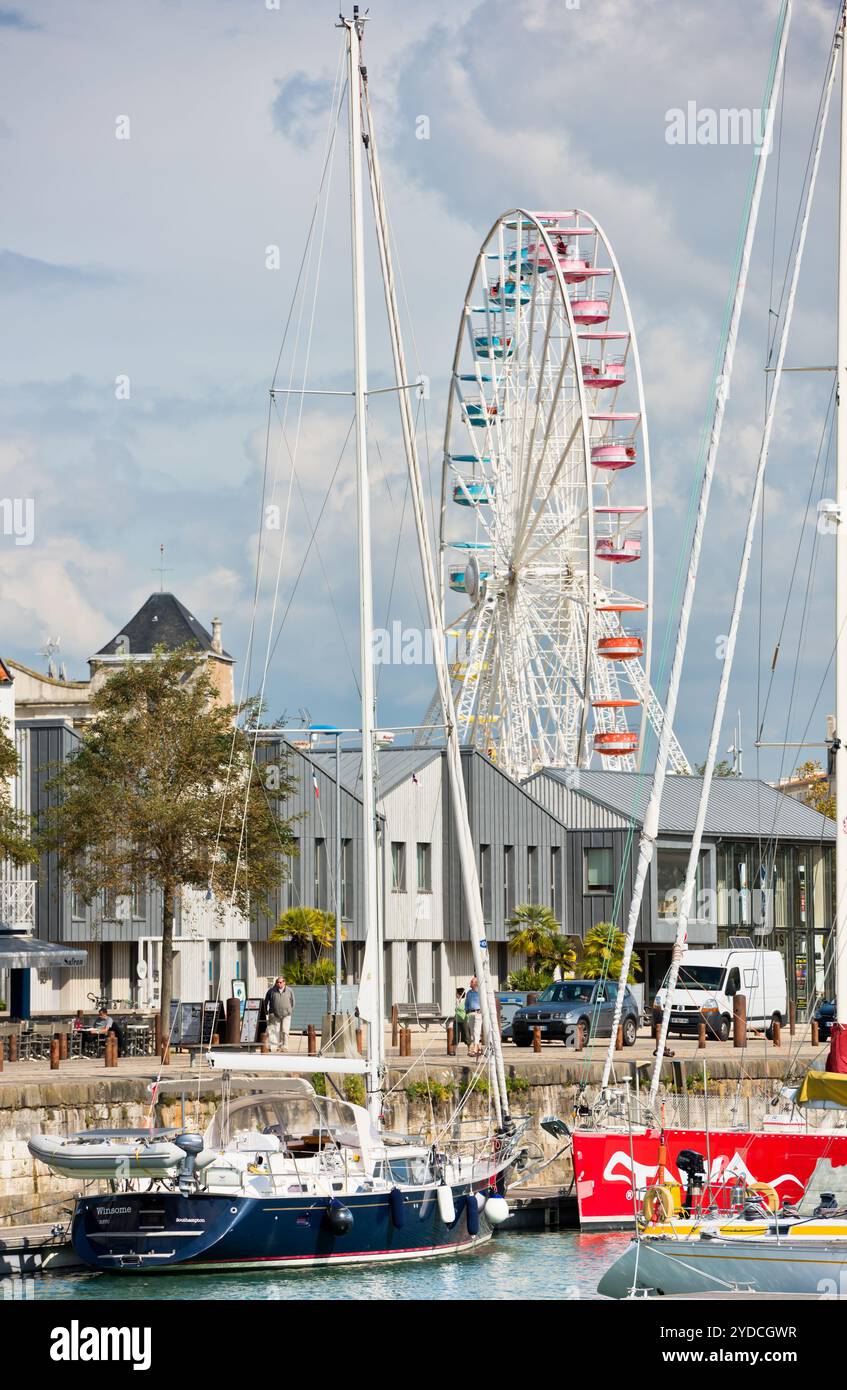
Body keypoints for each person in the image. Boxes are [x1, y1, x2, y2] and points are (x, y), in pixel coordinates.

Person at [265, 975, 295, 1052]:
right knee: (275, 1031)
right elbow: (266, 1001)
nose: (279, 984)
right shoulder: (271, 991)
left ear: (284, 983)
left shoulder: (290, 990)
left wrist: (290, 1011)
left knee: (285, 1031)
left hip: (286, 1014)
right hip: (275, 1014)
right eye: (277, 982)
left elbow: (293, 1002)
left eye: (280, 982)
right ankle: (274, 1047)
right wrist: (266, 1010)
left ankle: (285, 1047)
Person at [466, 976, 482, 1058]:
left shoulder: (480, 992)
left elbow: (484, 1002)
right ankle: (479, 1047)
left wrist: (482, 1010)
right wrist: (466, 1011)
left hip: (478, 1013)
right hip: (471, 1013)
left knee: (476, 1030)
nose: (470, 983)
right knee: (472, 1032)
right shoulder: (469, 993)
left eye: (471, 982)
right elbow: (467, 1003)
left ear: (476, 983)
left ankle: (475, 1048)